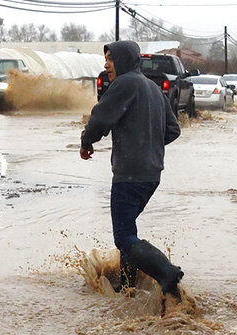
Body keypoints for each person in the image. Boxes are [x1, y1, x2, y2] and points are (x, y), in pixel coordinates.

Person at [79, 40, 185, 298]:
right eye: (105, 58)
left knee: (124, 237)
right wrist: (147, 145)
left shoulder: (124, 83)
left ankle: (167, 272)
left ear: (124, 60)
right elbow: (173, 130)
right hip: (152, 174)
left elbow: (100, 117)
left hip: (129, 175)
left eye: (111, 59)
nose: (106, 64)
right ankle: (127, 285)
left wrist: (86, 140)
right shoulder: (152, 87)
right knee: (130, 231)